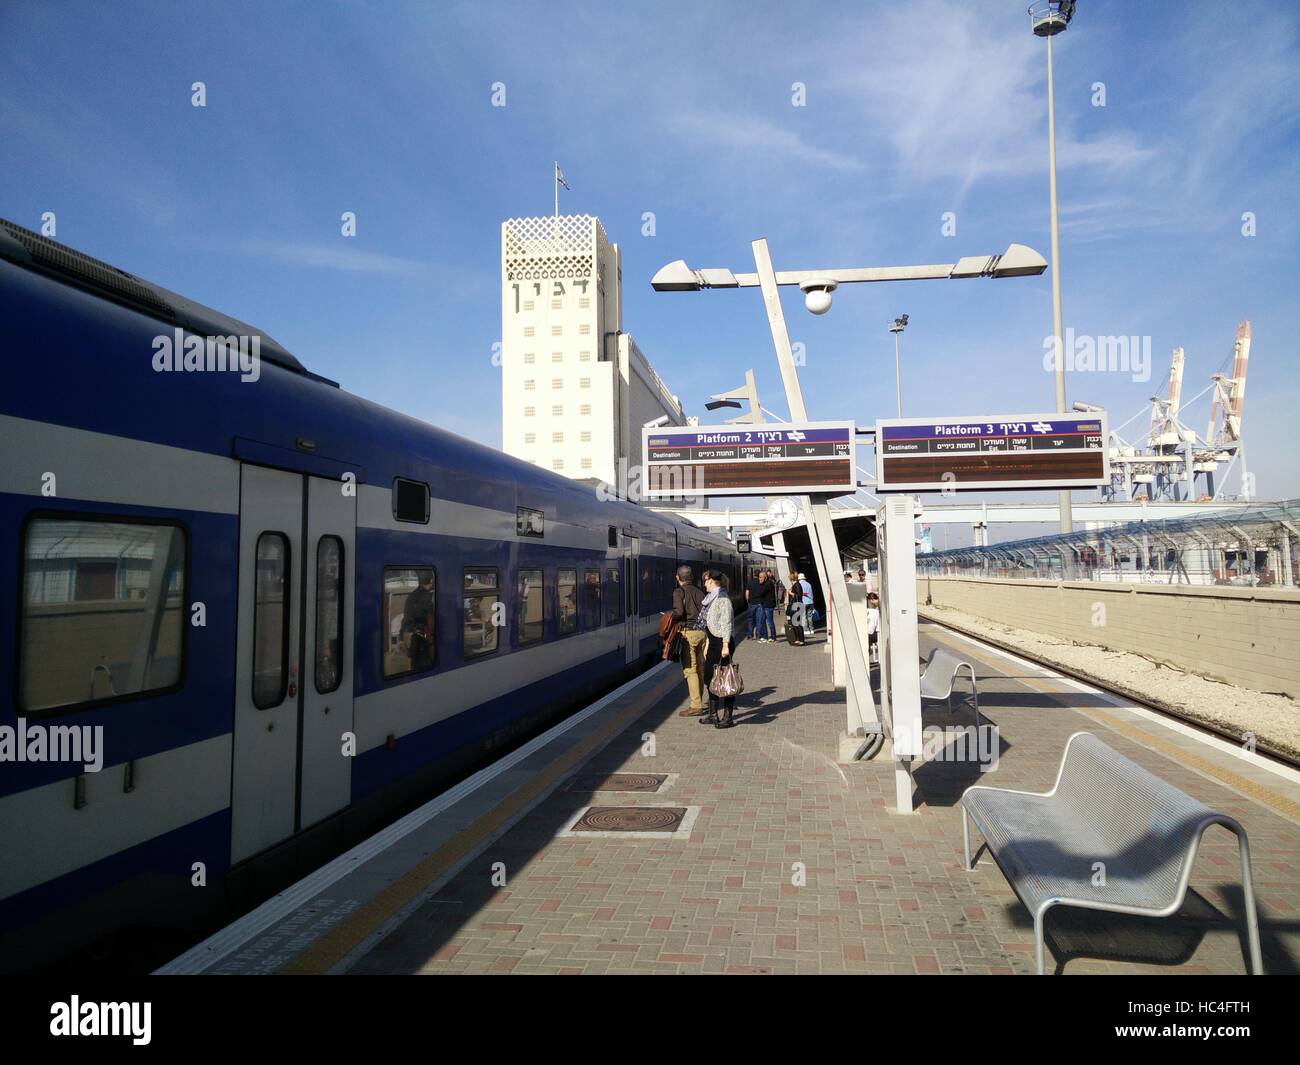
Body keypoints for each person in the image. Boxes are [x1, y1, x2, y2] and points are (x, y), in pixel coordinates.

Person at [696, 569, 736, 728]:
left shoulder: (722, 599)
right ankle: (713, 715)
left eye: (705, 581)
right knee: (709, 678)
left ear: (711, 580)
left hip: (722, 644)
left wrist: (725, 645)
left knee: (725, 680)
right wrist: (706, 643)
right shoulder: (711, 598)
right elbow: (709, 623)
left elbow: (726, 623)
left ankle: (728, 717)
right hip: (713, 643)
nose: (704, 584)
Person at [672, 564, 708, 716]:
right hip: (702, 633)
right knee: (700, 668)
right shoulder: (699, 592)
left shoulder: (678, 592)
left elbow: (679, 612)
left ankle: (695, 705)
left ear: (678, 578)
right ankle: (699, 699)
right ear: (691, 577)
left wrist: (670, 616)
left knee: (690, 669)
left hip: (688, 634)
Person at [401, 569, 435, 671]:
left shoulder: (411, 596)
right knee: (424, 668)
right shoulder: (428, 598)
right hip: (422, 640)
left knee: (415, 668)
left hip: (411, 638)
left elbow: (406, 618)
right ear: (431, 581)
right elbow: (431, 621)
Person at [755, 570, 777, 642]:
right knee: (762, 620)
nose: (759, 579)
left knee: (770, 622)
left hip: (768, 606)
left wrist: (760, 585)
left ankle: (773, 637)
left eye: (761, 577)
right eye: (759, 577)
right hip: (764, 605)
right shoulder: (765, 583)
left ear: (765, 577)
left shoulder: (768, 584)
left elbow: (761, 593)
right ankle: (765, 637)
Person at [866, 592, 880, 663]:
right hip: (876, 634)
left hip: (870, 634)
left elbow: (871, 627)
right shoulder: (877, 611)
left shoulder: (869, 611)